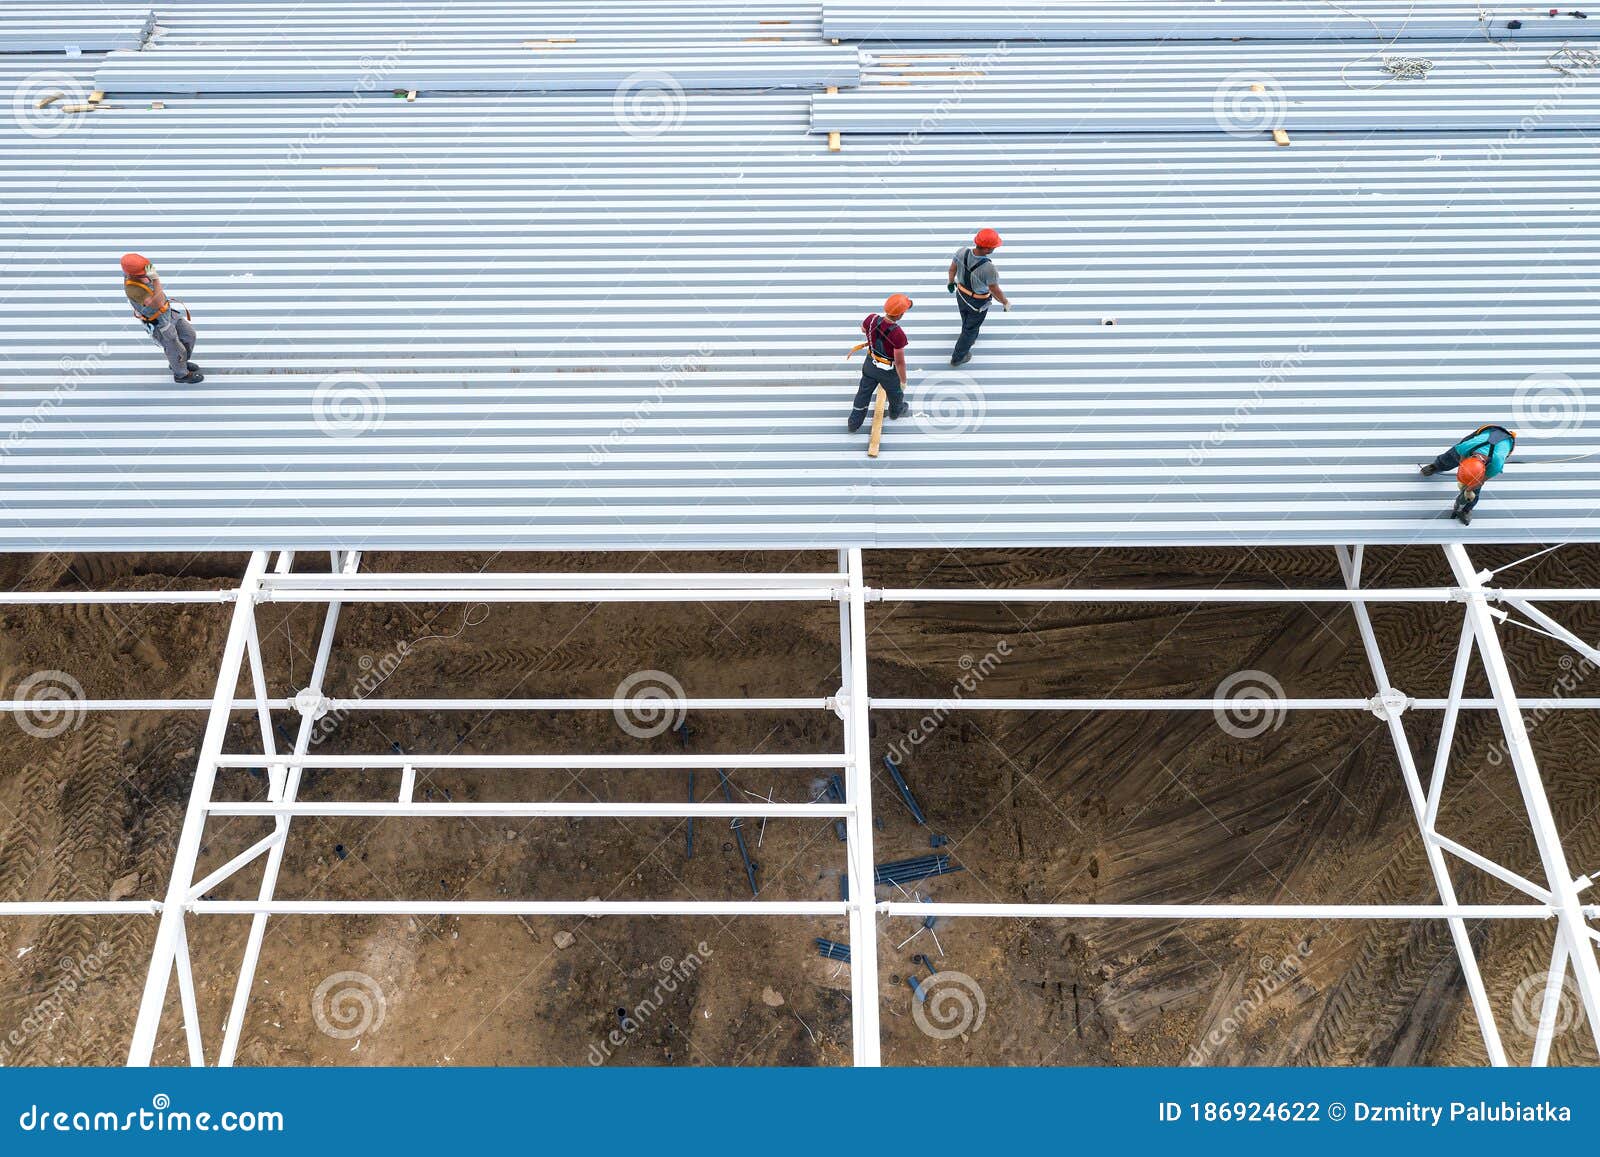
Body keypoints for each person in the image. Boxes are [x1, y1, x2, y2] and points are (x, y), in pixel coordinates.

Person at [121, 253, 202, 383]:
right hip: (159, 322)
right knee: (174, 348)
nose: (147, 273)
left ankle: (180, 362)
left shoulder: (138, 274)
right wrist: (156, 279)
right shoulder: (133, 289)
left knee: (189, 335)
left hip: (168, 313)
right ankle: (181, 374)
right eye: (144, 272)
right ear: (133, 275)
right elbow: (157, 303)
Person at [1420, 424, 1516, 525]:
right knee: (1452, 456)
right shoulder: (1467, 446)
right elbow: (1461, 460)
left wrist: (1468, 491)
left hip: (1505, 442)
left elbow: (1481, 481)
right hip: (1487, 433)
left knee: (1474, 491)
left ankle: (1465, 510)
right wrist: (1461, 477)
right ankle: (1437, 466)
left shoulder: (1496, 464)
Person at [847, 294, 913, 433]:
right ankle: (896, 411)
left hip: (870, 364)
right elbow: (899, 362)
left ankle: (854, 422)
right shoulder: (898, 334)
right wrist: (903, 380)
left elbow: (863, 329)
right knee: (896, 393)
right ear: (900, 315)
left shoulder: (871, 319)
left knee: (863, 393)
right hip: (888, 372)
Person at [947, 228, 1010, 367]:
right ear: (988, 249)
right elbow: (994, 289)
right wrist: (1005, 302)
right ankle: (958, 357)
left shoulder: (961, 252)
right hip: (978, 302)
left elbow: (952, 269)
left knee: (965, 317)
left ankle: (970, 337)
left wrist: (951, 282)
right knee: (971, 329)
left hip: (961, 294)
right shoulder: (989, 268)